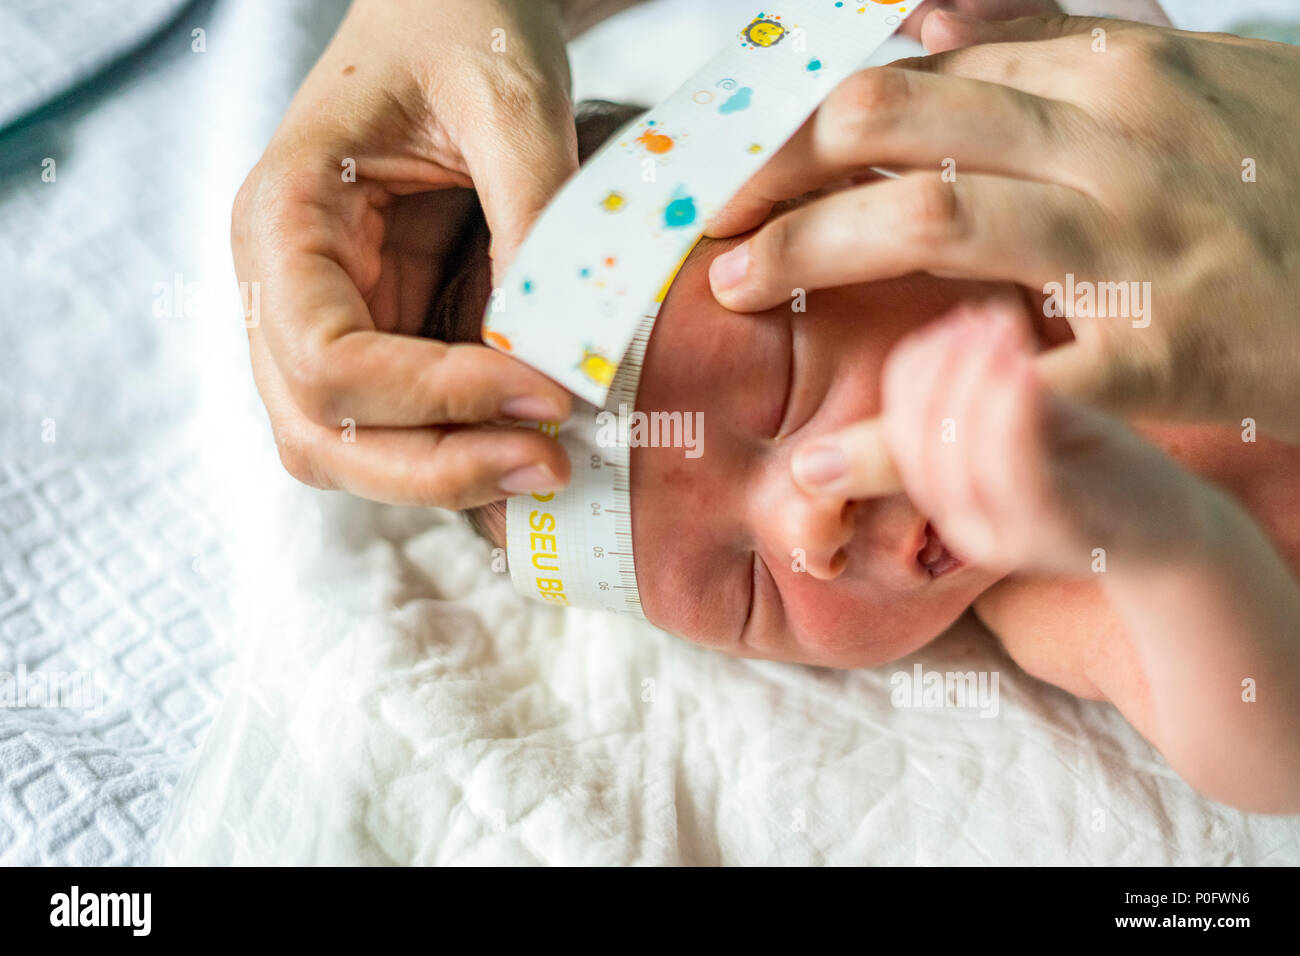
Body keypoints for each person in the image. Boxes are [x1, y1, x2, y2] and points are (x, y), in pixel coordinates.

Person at [441, 102, 1300, 814]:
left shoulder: (1063, 155)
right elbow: (1270, 754)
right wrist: (1169, 540)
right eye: (750, 594)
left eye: (783, 396)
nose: (810, 528)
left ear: (852, 204)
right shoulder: (1056, 582)